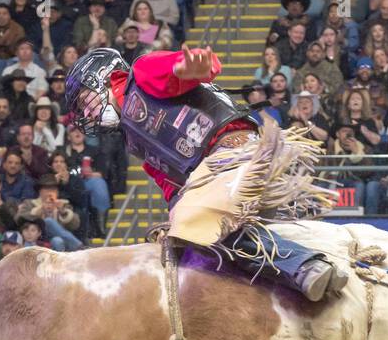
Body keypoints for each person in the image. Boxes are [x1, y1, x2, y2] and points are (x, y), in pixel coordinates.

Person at [65, 45, 343, 300]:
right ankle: (304, 270)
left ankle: (303, 265)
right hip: (213, 171)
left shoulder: (141, 72)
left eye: (84, 101)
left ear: (104, 77)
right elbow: (171, 185)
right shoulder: (132, 137)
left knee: (199, 228)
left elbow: (184, 68)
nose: (86, 115)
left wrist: (193, 66)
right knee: (194, 240)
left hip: (230, 151)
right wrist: (176, 220)